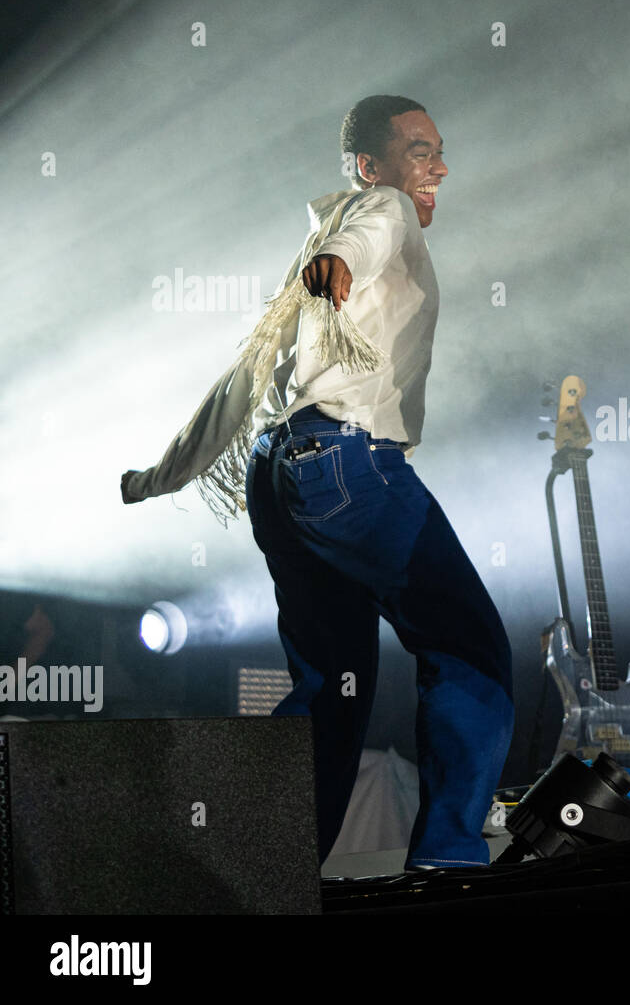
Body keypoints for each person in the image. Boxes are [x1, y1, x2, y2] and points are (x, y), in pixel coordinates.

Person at [120, 95, 513, 869]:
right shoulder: (379, 212)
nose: (438, 168)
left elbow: (242, 380)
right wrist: (337, 268)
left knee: (330, 692)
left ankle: (269, 873)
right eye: (419, 150)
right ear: (373, 166)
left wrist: (160, 474)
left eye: (440, 150)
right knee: (469, 647)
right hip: (347, 470)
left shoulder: (319, 240)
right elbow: (365, 244)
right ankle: (447, 858)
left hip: (280, 476)